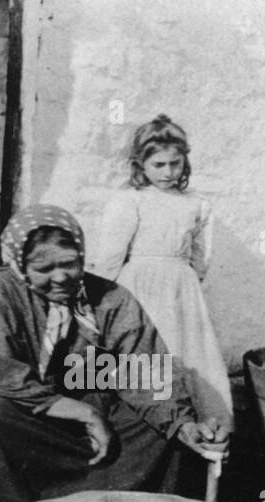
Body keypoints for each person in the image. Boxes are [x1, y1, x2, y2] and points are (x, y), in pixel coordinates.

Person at [0, 204, 228, 502]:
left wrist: (184, 424)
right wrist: (79, 412)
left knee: (162, 432)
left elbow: (143, 369)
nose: (60, 277)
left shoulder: (110, 299)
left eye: (70, 263)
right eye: (44, 269)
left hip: (104, 418)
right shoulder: (1, 294)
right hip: (35, 418)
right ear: (20, 265)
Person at [90, 115, 233, 430]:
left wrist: (187, 285)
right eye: (158, 165)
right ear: (141, 165)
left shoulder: (196, 205)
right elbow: (111, 256)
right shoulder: (131, 200)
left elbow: (200, 257)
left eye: (175, 164)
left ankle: (196, 426)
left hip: (181, 289)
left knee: (187, 352)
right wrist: (102, 300)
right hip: (138, 286)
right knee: (144, 351)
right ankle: (144, 422)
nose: (168, 172)